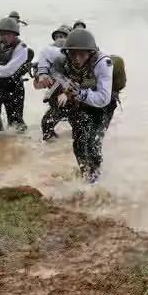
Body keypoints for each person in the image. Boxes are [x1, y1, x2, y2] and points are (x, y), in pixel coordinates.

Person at [48, 29, 115, 182]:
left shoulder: (103, 63)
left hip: (103, 105)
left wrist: (79, 93)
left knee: (93, 142)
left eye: (82, 54)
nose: (77, 59)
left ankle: (96, 179)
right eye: (73, 54)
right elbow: (56, 74)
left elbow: (103, 98)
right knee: (79, 140)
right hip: (80, 103)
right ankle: (85, 173)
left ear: (90, 53)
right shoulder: (64, 60)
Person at [34, 24, 72, 141]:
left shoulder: (75, 55)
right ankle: (53, 152)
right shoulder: (46, 56)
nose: (59, 39)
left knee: (79, 129)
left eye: (63, 36)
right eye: (57, 36)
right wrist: (39, 75)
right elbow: (38, 83)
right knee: (46, 124)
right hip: (56, 100)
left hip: (73, 99)